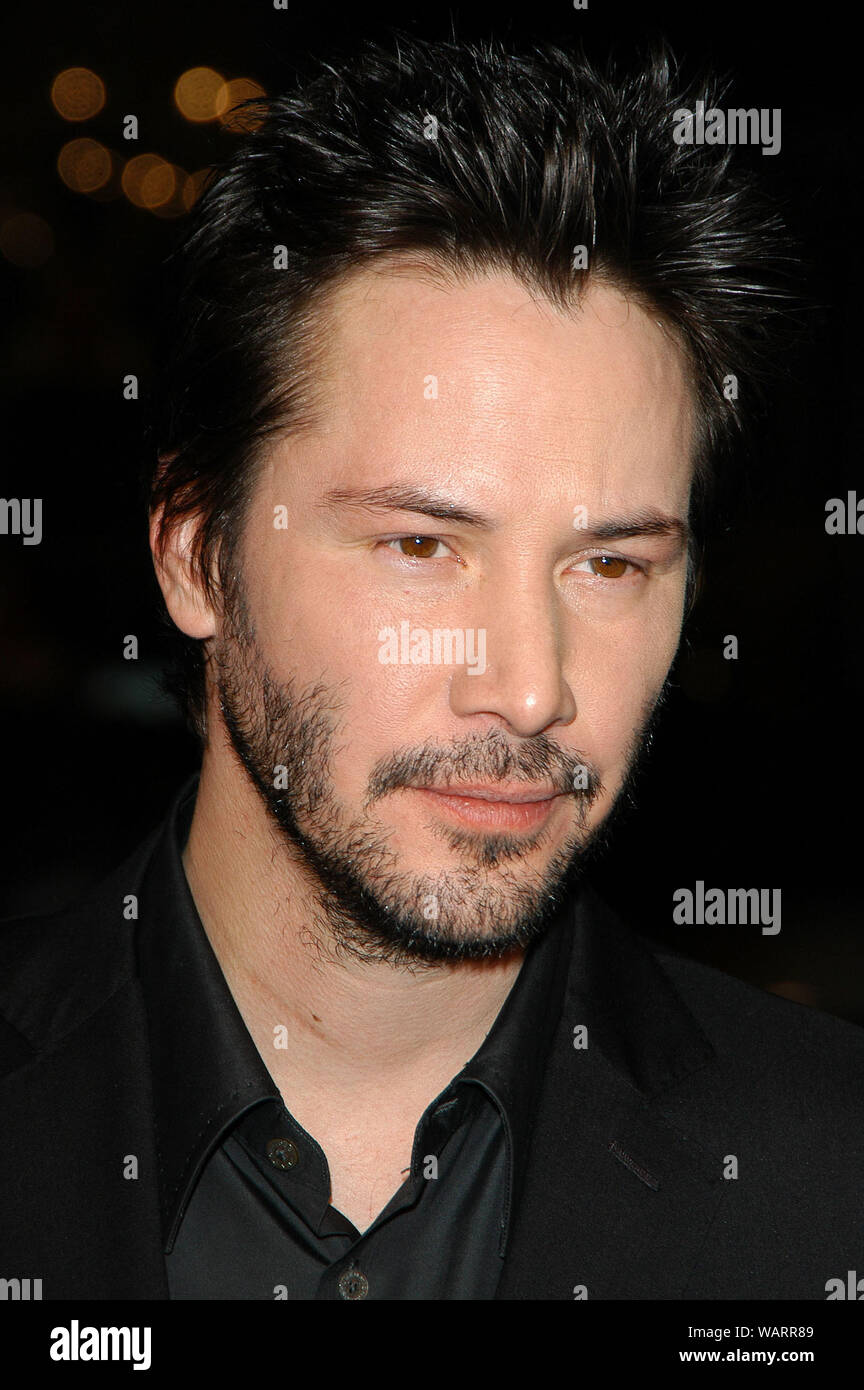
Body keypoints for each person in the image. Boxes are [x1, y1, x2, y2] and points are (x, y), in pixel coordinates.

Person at [2, 31, 862, 1302]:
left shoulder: (829, 1180)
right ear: (194, 555)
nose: (528, 688)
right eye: (421, 544)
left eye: (611, 566)